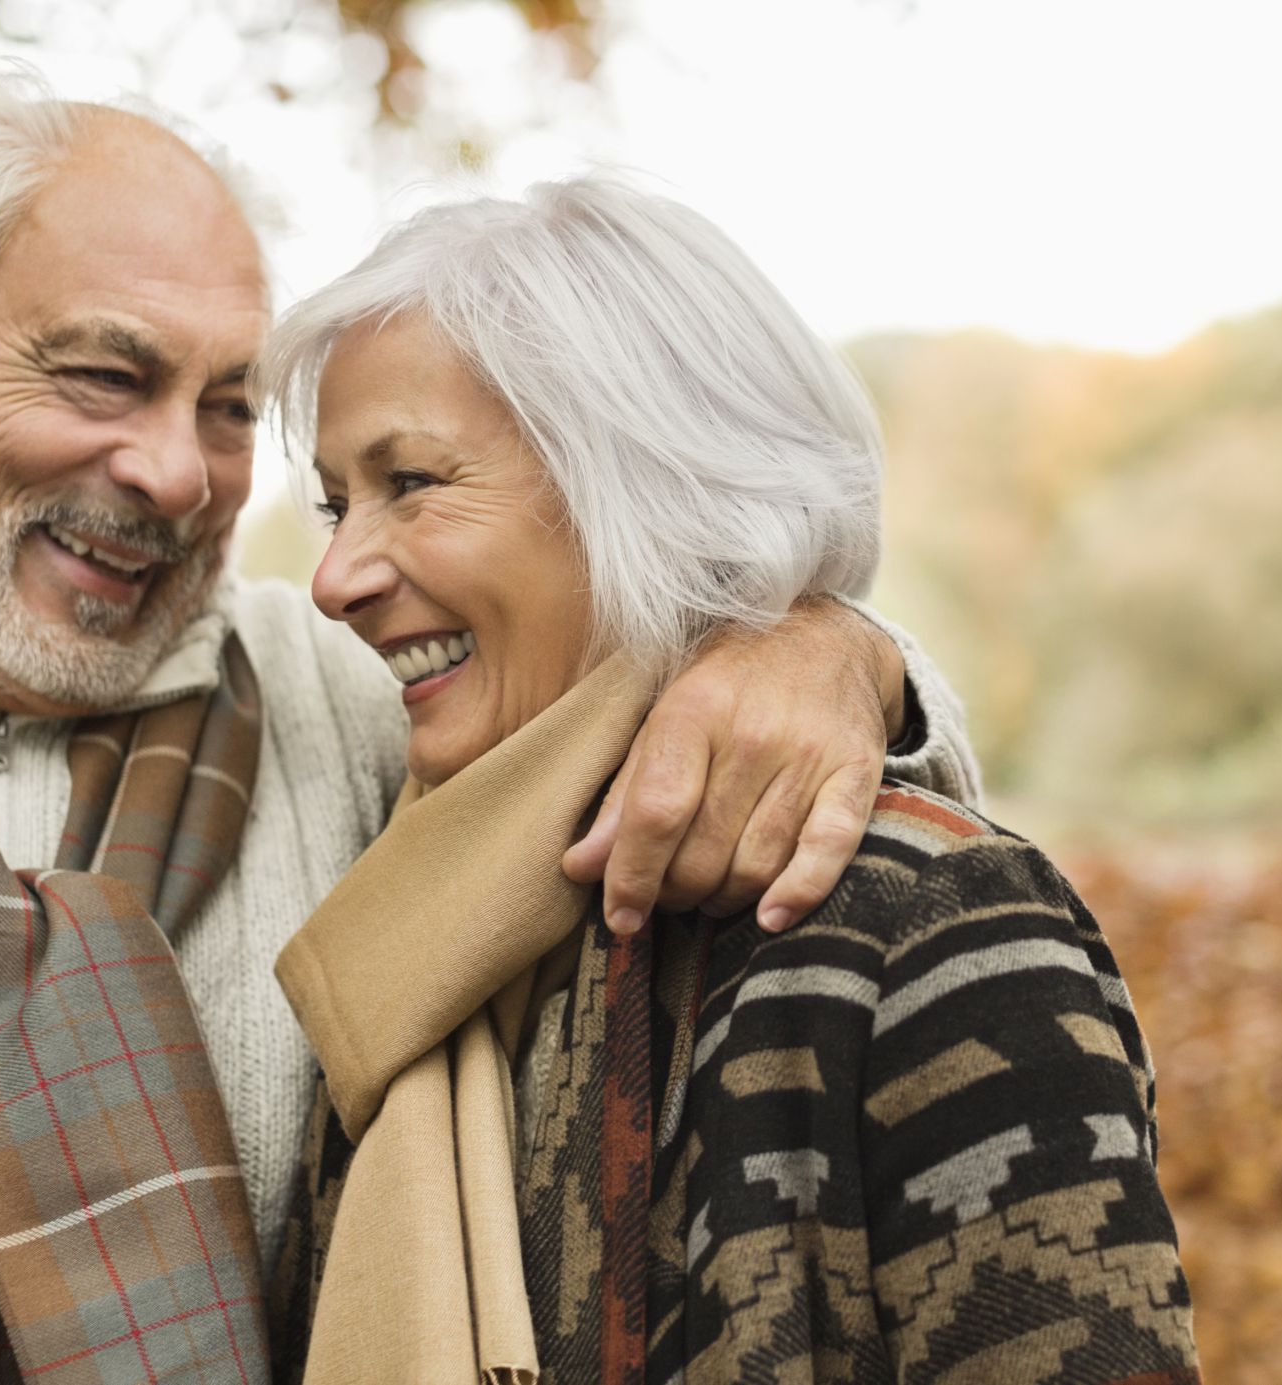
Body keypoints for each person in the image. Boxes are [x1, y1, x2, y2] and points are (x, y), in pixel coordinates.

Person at [0, 78, 979, 1384]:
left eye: (228, 407)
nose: (177, 473)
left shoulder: (338, 700)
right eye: (107, 377)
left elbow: (609, 677)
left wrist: (833, 651)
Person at [263, 178, 1200, 1384]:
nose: (332, 577)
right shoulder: (413, 944)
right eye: (337, 503)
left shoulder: (929, 928)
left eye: (413, 483)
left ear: (646, 480)